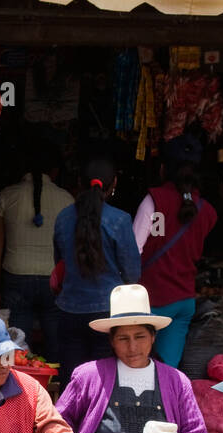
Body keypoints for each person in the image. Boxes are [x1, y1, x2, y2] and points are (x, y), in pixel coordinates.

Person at [55, 285, 208, 433]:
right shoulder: (89, 375)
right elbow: (59, 424)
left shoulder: (176, 380)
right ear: (112, 341)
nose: (133, 347)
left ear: (153, 337)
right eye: (123, 339)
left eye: (140, 337)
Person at [52, 158, 140, 385]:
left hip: (69, 311)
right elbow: (132, 274)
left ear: (79, 182)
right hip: (108, 314)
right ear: (114, 184)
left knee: (73, 383)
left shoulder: (63, 218)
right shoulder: (120, 220)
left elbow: (59, 266)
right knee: (105, 384)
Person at [132, 135, 217, 369]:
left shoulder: (155, 201)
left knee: (138, 367)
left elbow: (134, 249)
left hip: (152, 299)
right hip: (183, 301)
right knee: (167, 370)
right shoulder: (207, 212)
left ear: (163, 169)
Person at [0, 143, 73, 356]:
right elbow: (71, 251)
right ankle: (55, 376)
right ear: (55, 171)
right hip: (53, 280)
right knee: (56, 344)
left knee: (18, 345)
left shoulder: (6, 196)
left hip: (16, 278)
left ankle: (19, 377)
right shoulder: (67, 200)